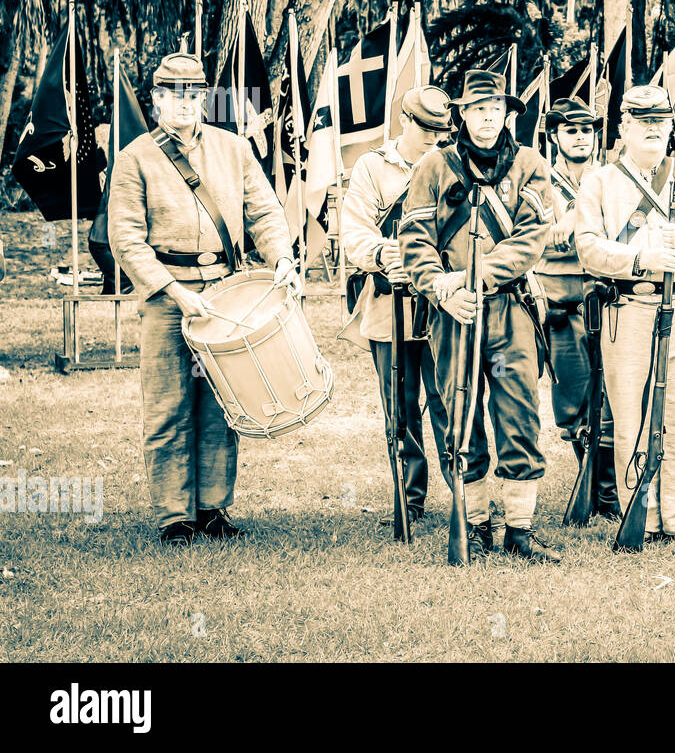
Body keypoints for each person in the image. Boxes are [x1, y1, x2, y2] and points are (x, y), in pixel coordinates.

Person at [107, 53, 299, 544]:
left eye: (193, 94)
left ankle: (213, 507)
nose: (184, 103)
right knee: (169, 405)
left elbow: (265, 211)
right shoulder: (135, 157)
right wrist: (173, 290)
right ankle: (174, 515)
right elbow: (126, 239)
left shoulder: (233, 149)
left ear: (204, 99)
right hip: (167, 294)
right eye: (173, 94)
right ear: (156, 101)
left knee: (221, 404)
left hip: (226, 292)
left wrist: (282, 259)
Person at [398, 69, 561, 564]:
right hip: (453, 309)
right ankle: (473, 525)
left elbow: (534, 235)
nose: (487, 118)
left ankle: (520, 531)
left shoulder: (530, 164)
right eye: (477, 109)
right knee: (458, 416)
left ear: (508, 114)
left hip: (510, 305)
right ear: (461, 114)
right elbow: (414, 237)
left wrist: (477, 275)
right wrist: (441, 287)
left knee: (519, 413)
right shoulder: (433, 165)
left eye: (496, 109)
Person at [573, 84, 675, 548]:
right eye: (641, 122)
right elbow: (588, 247)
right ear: (623, 128)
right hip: (627, 306)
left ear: (671, 128)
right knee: (632, 414)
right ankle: (640, 514)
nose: (651, 130)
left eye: (659, 122)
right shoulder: (599, 181)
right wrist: (639, 260)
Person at [340, 85, 455, 529]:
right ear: (404, 120)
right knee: (400, 407)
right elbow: (355, 229)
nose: (431, 137)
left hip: (441, 299)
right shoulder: (372, 166)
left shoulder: (452, 164)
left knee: (449, 399)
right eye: (424, 127)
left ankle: (466, 493)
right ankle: (410, 499)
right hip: (390, 303)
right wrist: (385, 254)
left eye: (439, 130)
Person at [536, 97, 620, 519]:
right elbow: (539, 238)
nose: (580, 136)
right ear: (554, 135)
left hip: (606, 294)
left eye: (586, 129)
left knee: (611, 393)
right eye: (570, 129)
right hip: (560, 302)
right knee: (572, 397)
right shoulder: (540, 181)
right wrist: (570, 220)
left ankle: (606, 491)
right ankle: (588, 477)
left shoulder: (611, 178)